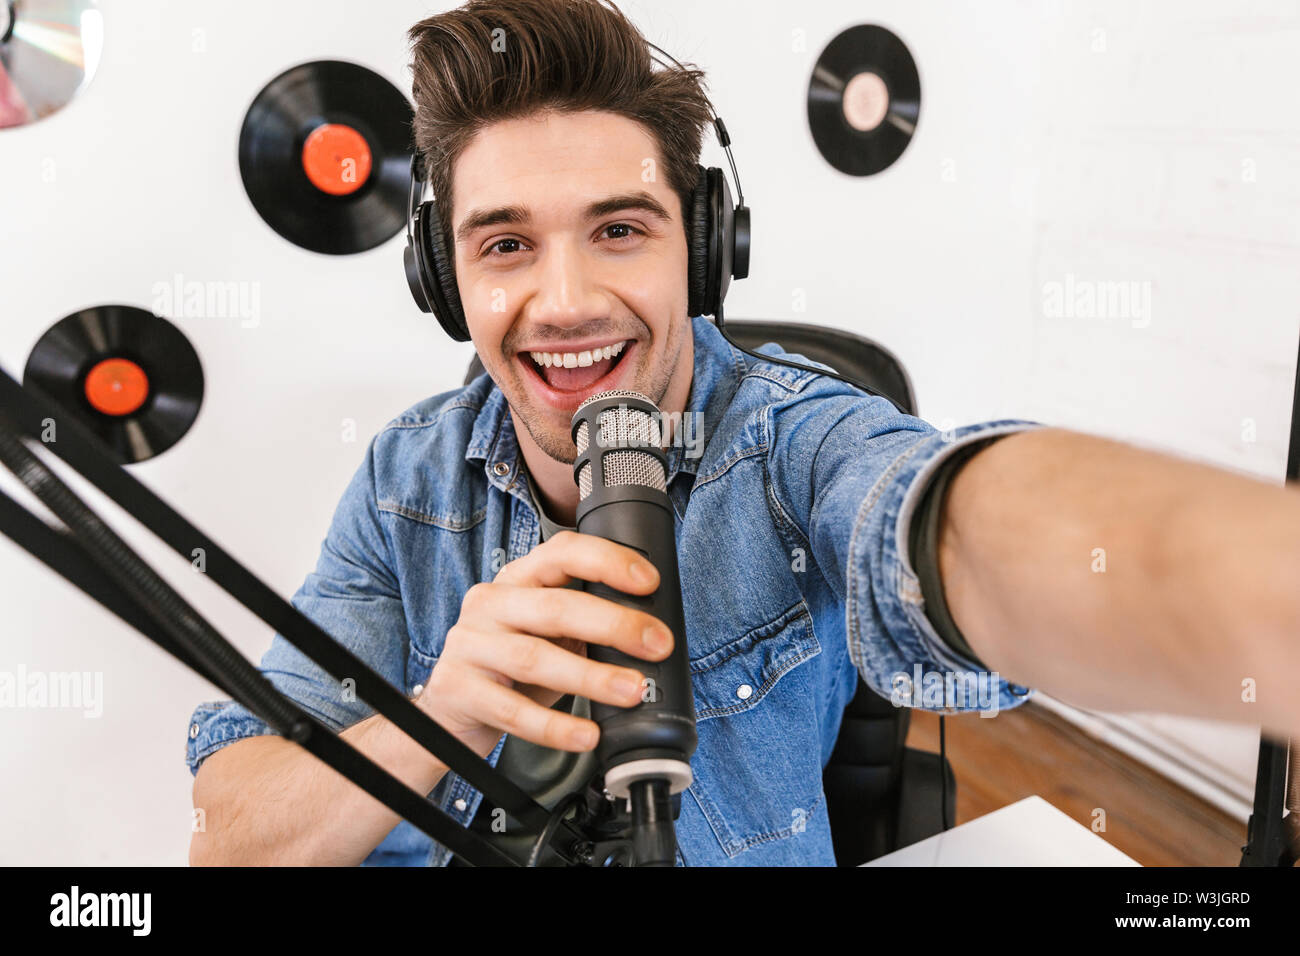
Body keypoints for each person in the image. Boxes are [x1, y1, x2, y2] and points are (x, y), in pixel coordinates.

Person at [186, 0, 1300, 866]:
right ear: (445, 277)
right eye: (506, 245)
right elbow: (232, 833)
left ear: (703, 250)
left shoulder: (793, 439)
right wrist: (447, 712)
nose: (566, 299)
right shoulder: (404, 476)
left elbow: (946, 523)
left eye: (619, 229)